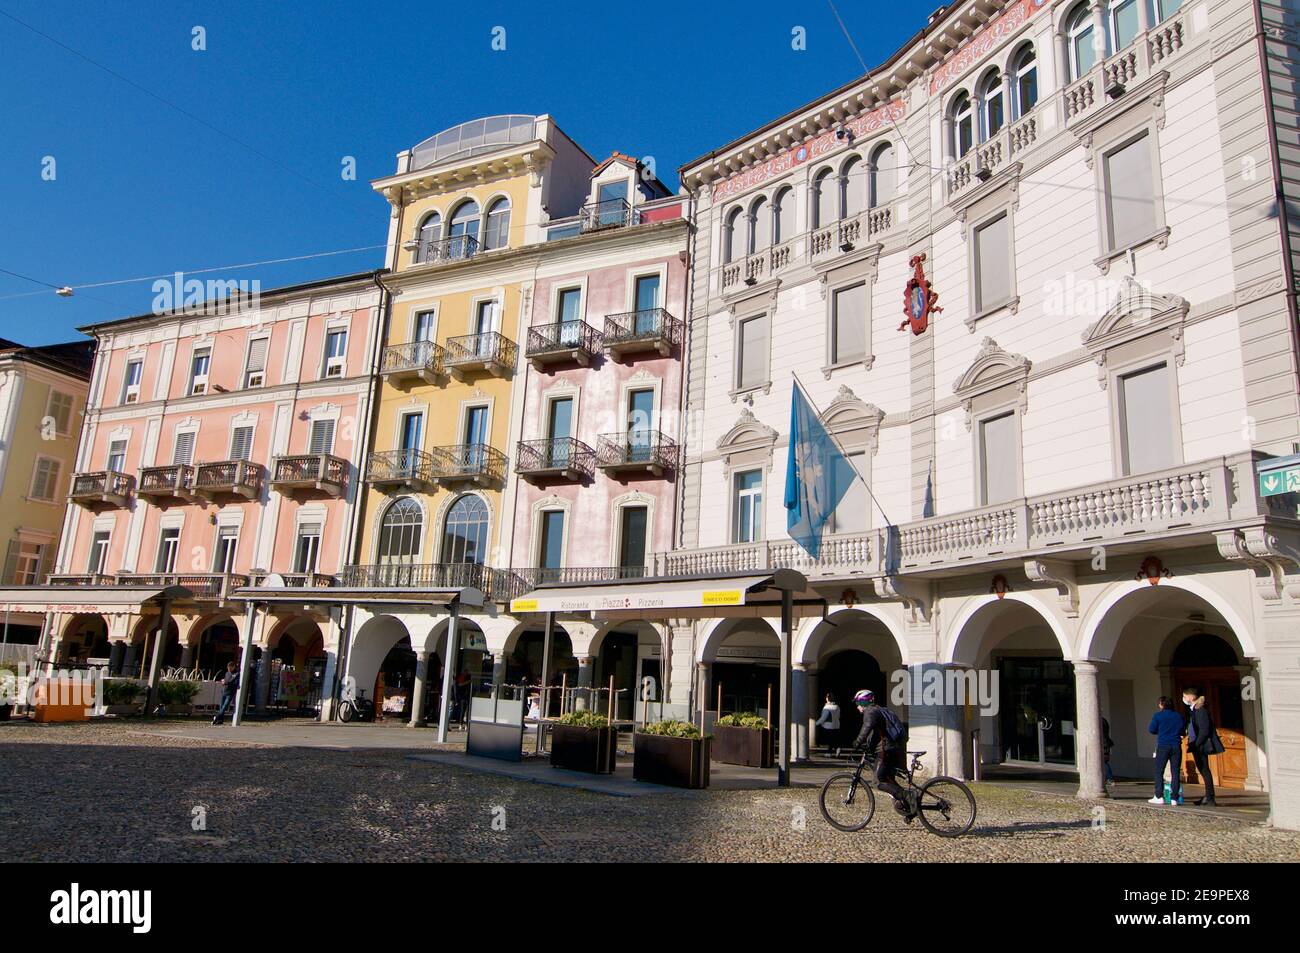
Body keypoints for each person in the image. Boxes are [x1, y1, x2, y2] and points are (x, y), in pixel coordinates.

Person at [851, 688, 914, 821]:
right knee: (889, 779)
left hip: (887, 750)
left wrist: (857, 742)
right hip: (892, 749)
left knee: (878, 781)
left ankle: (908, 796)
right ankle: (908, 807)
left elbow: (867, 727)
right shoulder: (879, 710)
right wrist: (868, 746)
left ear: (863, 702)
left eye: (858, 703)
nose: (857, 707)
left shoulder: (870, 711)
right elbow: (876, 733)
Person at [1183, 687, 1224, 806]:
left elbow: (1204, 730)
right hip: (1197, 743)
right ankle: (1208, 796)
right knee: (1203, 769)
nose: (1184, 699)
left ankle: (1210, 798)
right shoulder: (1195, 710)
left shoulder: (1200, 710)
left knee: (1205, 770)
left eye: (1185, 696)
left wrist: (1196, 744)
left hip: (1200, 745)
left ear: (1191, 697)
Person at [1147, 696, 1185, 805]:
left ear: (1162, 705)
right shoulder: (1179, 716)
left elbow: (1152, 729)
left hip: (1163, 745)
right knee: (1175, 772)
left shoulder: (1158, 716)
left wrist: (1162, 730)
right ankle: (1174, 798)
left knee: (1159, 771)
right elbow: (1182, 730)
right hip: (1176, 745)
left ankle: (1159, 796)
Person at [212, 661, 239, 726]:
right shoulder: (227, 673)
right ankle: (220, 720)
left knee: (224, 707)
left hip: (230, 692)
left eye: (230, 668)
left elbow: (235, 683)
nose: (229, 669)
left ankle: (217, 717)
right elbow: (226, 679)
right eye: (228, 668)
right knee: (221, 706)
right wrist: (223, 681)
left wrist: (226, 682)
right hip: (224, 691)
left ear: (233, 667)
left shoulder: (236, 674)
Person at [1102, 715, 1116, 788]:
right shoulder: (1103, 720)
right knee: (1104, 761)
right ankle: (1108, 778)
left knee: (1104, 761)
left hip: (1104, 743)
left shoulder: (1100, 721)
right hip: (1105, 743)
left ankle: (1110, 779)